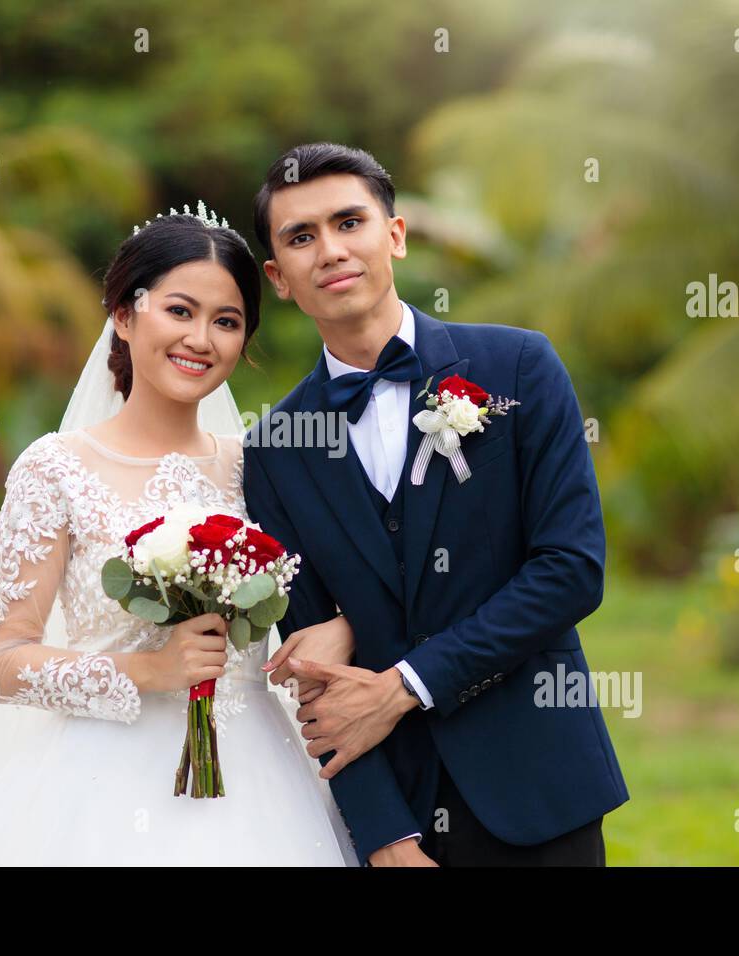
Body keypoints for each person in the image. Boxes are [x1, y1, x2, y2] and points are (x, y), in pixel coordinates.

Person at [243, 143, 630, 867]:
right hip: (404, 812)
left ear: (394, 234)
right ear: (280, 279)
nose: (329, 250)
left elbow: (570, 570)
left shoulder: (520, 367)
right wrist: (383, 835)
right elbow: (314, 672)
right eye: (301, 238)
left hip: (539, 783)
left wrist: (404, 687)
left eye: (348, 221)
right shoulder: (273, 450)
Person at [0, 203, 357, 865]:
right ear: (125, 315)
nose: (201, 339)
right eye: (180, 311)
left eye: (227, 322)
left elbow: (333, 593)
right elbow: (4, 662)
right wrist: (150, 671)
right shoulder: (56, 468)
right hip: (96, 782)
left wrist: (342, 627)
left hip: (259, 778)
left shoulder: (261, 467)